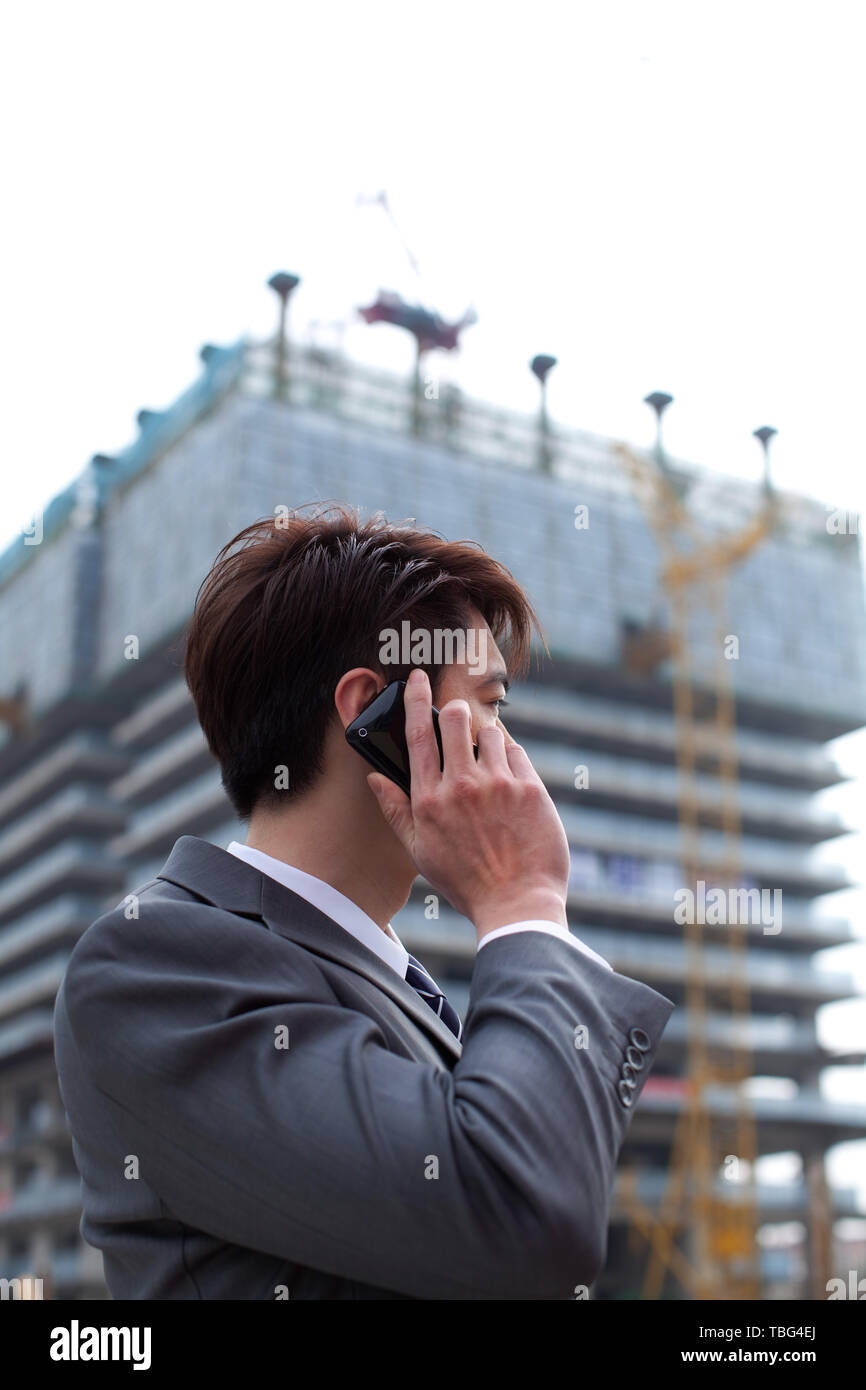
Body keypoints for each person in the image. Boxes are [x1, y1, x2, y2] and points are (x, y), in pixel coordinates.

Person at [53, 503, 674, 1300]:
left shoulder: (395, 979)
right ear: (371, 714)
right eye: (488, 705)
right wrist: (522, 901)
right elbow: (517, 1214)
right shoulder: (149, 966)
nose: (511, 752)